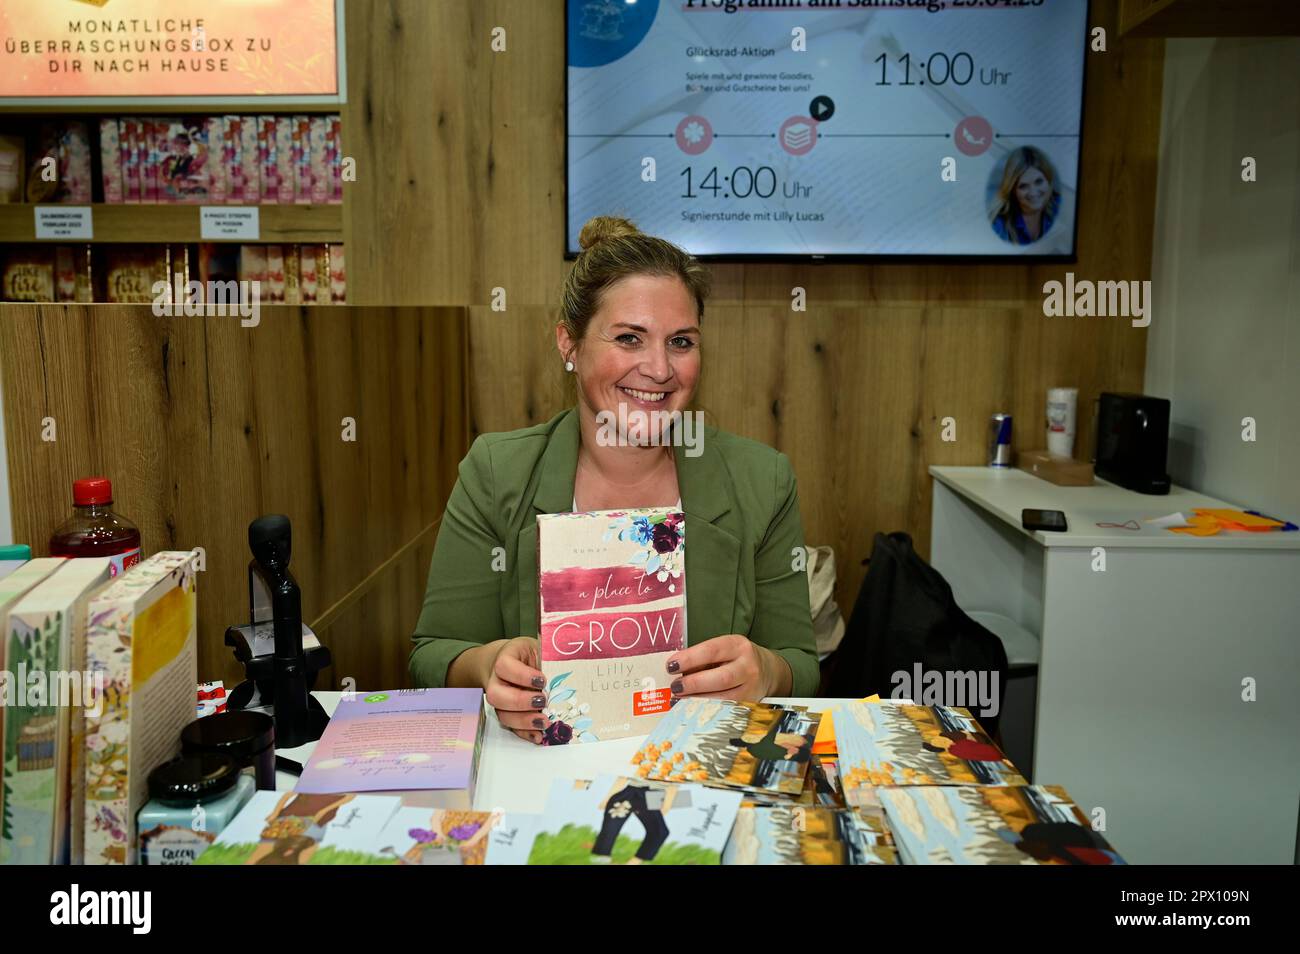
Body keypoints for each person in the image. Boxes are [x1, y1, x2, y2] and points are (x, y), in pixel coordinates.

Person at [409, 215, 820, 743]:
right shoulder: (496, 472)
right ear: (569, 344)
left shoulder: (762, 480)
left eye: (681, 342)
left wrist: (766, 670)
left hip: (693, 771)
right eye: (629, 338)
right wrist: (486, 665)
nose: (659, 369)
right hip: (544, 774)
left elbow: (801, 667)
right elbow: (431, 656)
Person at [989, 146, 1062, 245]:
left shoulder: (1059, 205)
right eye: (1023, 186)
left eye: (1039, 181)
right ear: (1012, 191)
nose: (1033, 192)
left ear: (1048, 180)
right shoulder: (999, 226)